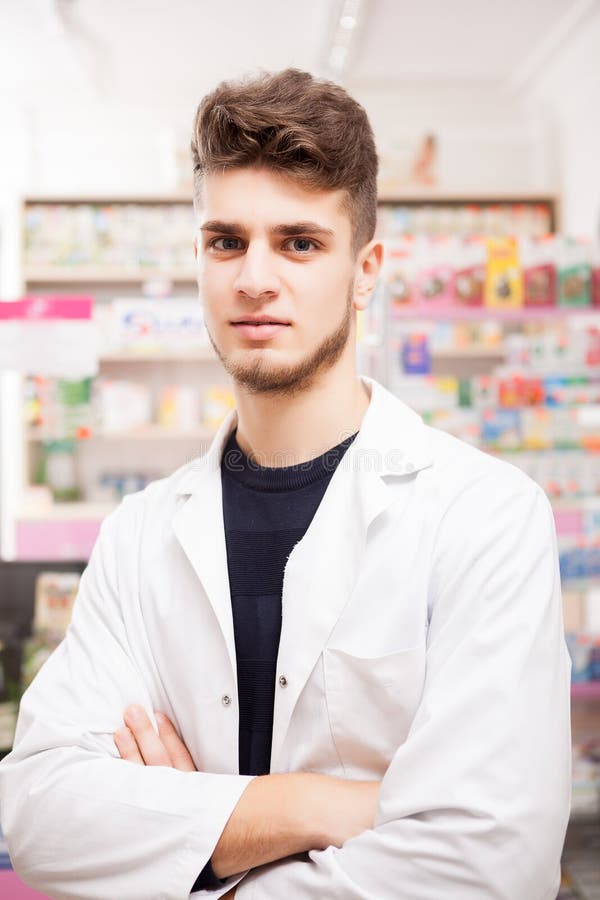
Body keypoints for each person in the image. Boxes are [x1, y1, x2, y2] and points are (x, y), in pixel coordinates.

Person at [0, 69, 571, 899]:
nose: (255, 279)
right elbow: (41, 813)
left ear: (365, 268)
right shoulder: (141, 534)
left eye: (299, 243)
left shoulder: (482, 514)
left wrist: (188, 838)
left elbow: (488, 862)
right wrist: (311, 805)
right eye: (226, 241)